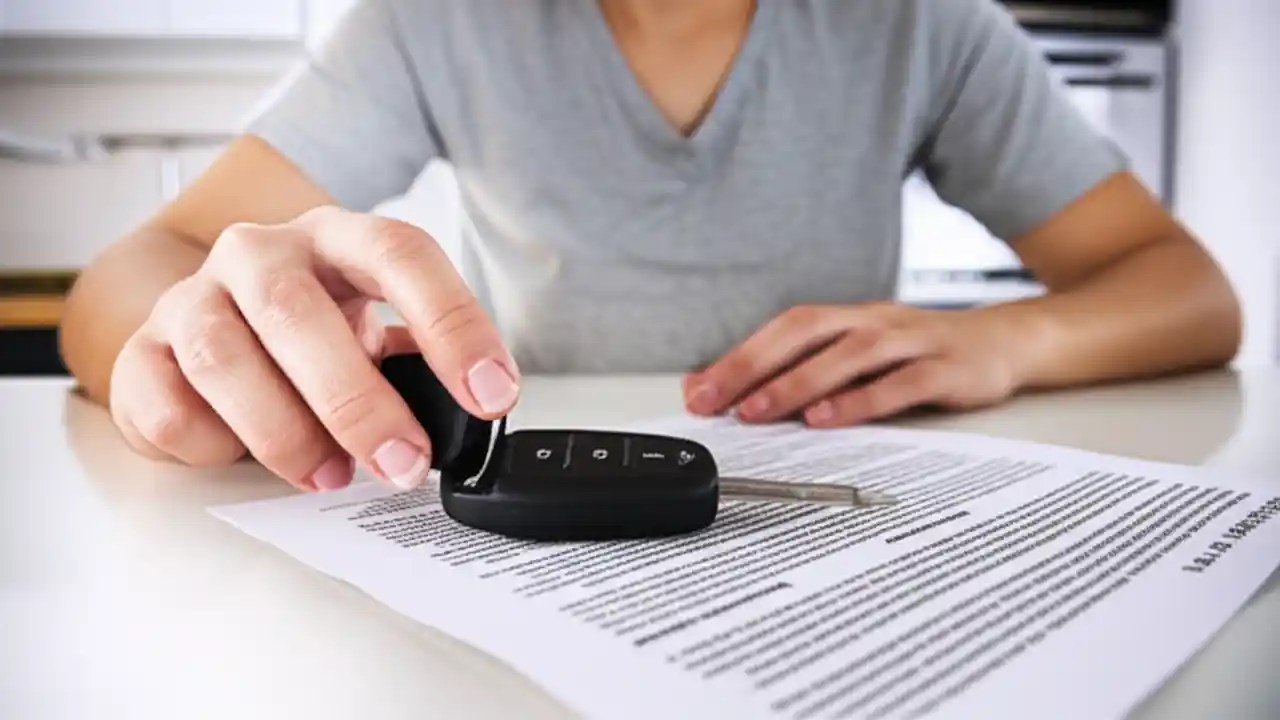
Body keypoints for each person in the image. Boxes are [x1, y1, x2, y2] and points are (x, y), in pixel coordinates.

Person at [59, 0, 1240, 495]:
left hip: (835, 490)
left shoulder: (922, 22)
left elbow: (1185, 287)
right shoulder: (434, 20)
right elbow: (143, 261)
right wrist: (194, 330)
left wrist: (1007, 341)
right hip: (533, 493)